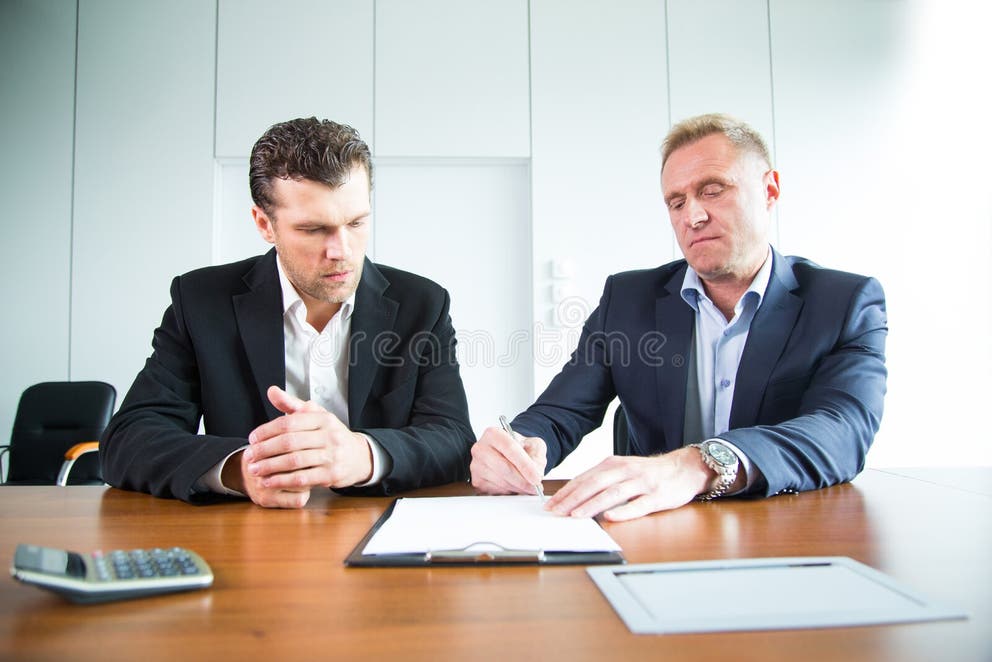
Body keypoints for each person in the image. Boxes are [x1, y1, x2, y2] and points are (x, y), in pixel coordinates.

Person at [470, 113, 887, 521]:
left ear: (770, 191)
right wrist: (519, 445)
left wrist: (696, 465)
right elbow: (561, 412)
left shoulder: (844, 302)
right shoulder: (628, 299)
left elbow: (842, 430)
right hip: (654, 536)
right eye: (677, 201)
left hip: (785, 530)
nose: (693, 216)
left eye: (712, 190)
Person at [101, 117, 474, 508]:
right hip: (250, 540)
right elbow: (128, 440)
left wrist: (361, 455)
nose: (341, 251)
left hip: (380, 534)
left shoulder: (423, 304)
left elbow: (452, 439)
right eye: (314, 229)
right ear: (265, 224)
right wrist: (242, 470)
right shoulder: (200, 301)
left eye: (356, 222)